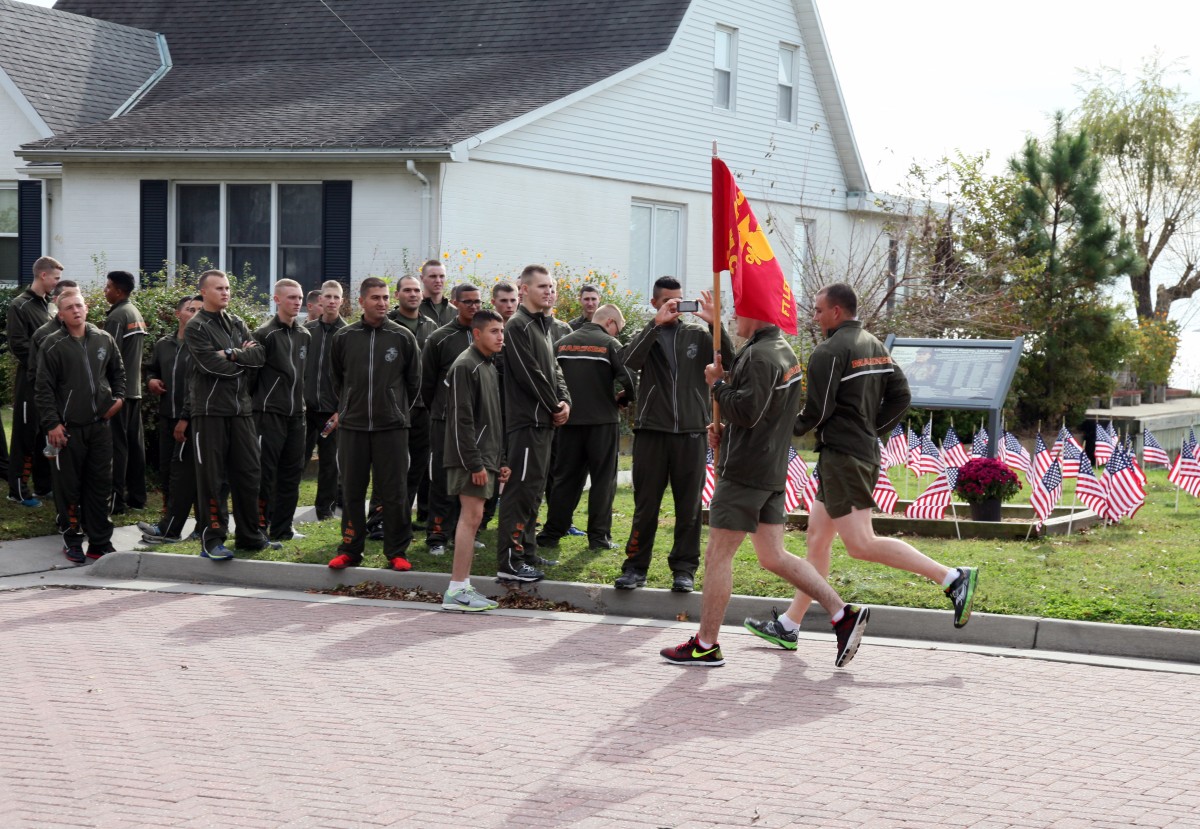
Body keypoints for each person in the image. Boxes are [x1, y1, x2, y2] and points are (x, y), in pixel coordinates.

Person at [743, 283, 979, 652]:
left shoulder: (829, 350)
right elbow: (902, 397)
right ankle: (789, 624)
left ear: (837, 311)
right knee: (818, 540)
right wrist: (871, 429)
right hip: (853, 452)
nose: (815, 317)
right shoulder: (875, 345)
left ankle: (951, 578)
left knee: (861, 544)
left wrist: (780, 429)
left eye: (819, 310)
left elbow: (817, 411)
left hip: (844, 457)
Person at [660, 312, 869, 668]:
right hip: (769, 467)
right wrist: (727, 432)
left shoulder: (760, 355)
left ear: (754, 315)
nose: (733, 318)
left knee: (716, 556)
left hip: (745, 472)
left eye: (738, 311)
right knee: (773, 556)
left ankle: (706, 644)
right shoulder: (781, 350)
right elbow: (763, 415)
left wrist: (716, 384)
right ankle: (842, 613)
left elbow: (746, 409)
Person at [617, 278, 732, 593]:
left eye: (680, 301)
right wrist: (655, 326)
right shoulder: (648, 334)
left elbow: (730, 361)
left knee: (689, 507)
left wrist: (715, 326)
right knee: (645, 505)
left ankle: (684, 570)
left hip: (692, 433)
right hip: (652, 432)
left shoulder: (696, 334)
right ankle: (634, 568)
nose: (675, 307)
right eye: (668, 301)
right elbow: (629, 361)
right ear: (655, 303)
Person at [326, 277, 421, 571]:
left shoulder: (403, 337)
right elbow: (335, 380)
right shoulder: (344, 337)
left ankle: (397, 552)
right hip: (353, 428)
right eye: (376, 298)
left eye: (385, 298)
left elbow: (415, 383)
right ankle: (350, 549)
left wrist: (396, 409)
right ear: (362, 301)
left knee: (395, 492)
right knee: (352, 490)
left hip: (391, 427)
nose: (382, 303)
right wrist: (349, 406)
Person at [185, 270, 279, 560]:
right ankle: (213, 540)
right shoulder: (196, 327)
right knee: (213, 479)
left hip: (241, 411)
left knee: (250, 473)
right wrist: (242, 358)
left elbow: (260, 357)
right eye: (219, 288)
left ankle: (250, 536)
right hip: (210, 412)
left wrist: (231, 354)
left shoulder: (236, 322)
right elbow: (211, 367)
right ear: (204, 292)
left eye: (227, 287)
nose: (226, 292)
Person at [35, 291, 125, 563]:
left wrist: (118, 399)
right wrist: (52, 423)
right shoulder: (52, 345)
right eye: (69, 307)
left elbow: (118, 371)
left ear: (86, 309)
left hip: (99, 426)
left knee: (100, 485)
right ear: (60, 314)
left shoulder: (103, 339)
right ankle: (72, 539)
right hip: (67, 430)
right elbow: (43, 388)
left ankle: (100, 542)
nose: (75, 310)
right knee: (69, 487)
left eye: (79, 306)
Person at [495, 265, 571, 582]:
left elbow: (555, 371)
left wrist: (566, 400)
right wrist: (555, 405)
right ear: (523, 289)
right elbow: (530, 376)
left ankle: (527, 551)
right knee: (519, 492)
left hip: (544, 423)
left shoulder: (541, 326)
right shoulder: (517, 326)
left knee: (535, 491)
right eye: (542, 286)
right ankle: (510, 561)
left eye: (551, 286)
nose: (549, 291)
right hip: (527, 422)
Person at [538, 304, 634, 551]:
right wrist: (625, 397)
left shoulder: (562, 343)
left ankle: (551, 533)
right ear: (611, 322)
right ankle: (598, 538)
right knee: (603, 481)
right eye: (618, 329)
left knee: (565, 479)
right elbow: (630, 378)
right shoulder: (610, 344)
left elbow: (548, 378)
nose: (617, 335)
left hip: (568, 422)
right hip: (602, 422)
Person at [440, 310, 509, 612]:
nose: (500, 337)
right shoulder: (465, 365)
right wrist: (475, 463)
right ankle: (456, 591)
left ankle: (463, 586)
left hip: (485, 458)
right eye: (494, 331)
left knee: (475, 518)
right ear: (477, 333)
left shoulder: (488, 366)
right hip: (471, 460)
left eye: (502, 331)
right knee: (470, 518)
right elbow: (462, 420)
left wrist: (499, 459)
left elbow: (492, 420)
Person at [421, 283, 480, 556]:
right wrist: (441, 409)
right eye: (467, 302)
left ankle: (464, 533)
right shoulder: (440, 338)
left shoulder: (487, 334)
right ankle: (437, 536)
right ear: (455, 303)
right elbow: (427, 382)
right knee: (443, 479)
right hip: (444, 420)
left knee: (471, 479)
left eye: (477, 301)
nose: (473, 306)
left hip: (477, 422)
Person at [138, 295, 201, 543]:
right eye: (190, 309)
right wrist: (151, 380)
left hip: (193, 419)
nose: (195, 313)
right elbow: (151, 368)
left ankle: (201, 525)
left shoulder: (201, 344)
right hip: (167, 416)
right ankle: (167, 522)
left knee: (192, 474)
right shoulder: (164, 343)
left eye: (199, 309)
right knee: (168, 472)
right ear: (178, 314)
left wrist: (186, 417)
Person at [253, 279, 310, 542]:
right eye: (291, 298)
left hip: (297, 414)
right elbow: (251, 378)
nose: (297, 302)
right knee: (265, 474)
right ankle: (259, 528)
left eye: (299, 298)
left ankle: (283, 528)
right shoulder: (264, 334)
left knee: (292, 473)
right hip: (269, 413)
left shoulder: (305, 334)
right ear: (277, 300)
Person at [379, 274, 438, 533]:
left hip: (422, 408)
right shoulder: (386, 324)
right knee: (389, 467)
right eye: (407, 290)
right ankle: (379, 520)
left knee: (417, 466)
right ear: (398, 295)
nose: (413, 294)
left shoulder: (431, 326)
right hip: (392, 407)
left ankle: (402, 518)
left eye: (416, 290)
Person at [7, 256, 61, 507]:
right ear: (43, 275)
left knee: (43, 434)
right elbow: (18, 345)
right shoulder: (20, 305)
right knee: (25, 435)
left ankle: (43, 486)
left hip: (47, 384)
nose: (57, 283)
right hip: (30, 382)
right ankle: (17, 490)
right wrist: (43, 367)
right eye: (56, 278)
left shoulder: (47, 305)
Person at [103, 270, 148, 514]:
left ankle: (117, 500)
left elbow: (108, 356)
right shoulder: (134, 312)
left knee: (117, 446)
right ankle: (138, 497)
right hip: (135, 390)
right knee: (134, 445)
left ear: (119, 291)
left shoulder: (117, 316)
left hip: (119, 393)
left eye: (108, 287)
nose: (105, 290)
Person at [302, 280, 347, 520]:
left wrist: (342, 409)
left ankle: (324, 511)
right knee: (297, 460)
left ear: (342, 301)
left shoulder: (349, 333)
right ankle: (283, 510)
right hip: (306, 409)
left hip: (333, 412)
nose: (331, 301)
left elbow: (353, 377)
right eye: (327, 296)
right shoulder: (307, 331)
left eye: (335, 297)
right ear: (320, 300)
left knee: (329, 464)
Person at [419, 260, 454, 327]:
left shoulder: (454, 312)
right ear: (422, 278)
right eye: (433, 276)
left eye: (442, 276)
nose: (438, 281)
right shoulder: (413, 309)